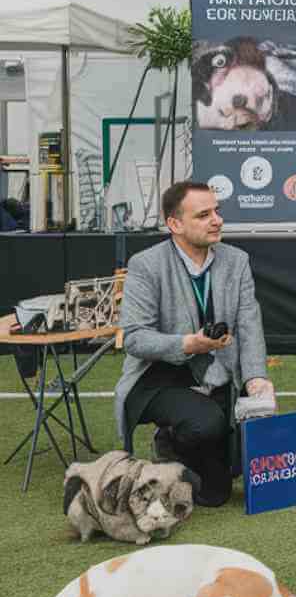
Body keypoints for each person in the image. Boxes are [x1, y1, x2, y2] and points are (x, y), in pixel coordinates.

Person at [114, 180, 274, 507]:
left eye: (217, 211)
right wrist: (188, 344)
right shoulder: (145, 265)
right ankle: (169, 442)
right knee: (207, 425)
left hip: (215, 373)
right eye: (203, 215)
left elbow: (249, 322)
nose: (217, 220)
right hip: (158, 377)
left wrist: (257, 377)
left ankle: (194, 445)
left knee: (223, 484)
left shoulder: (237, 260)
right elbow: (134, 338)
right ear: (175, 225)